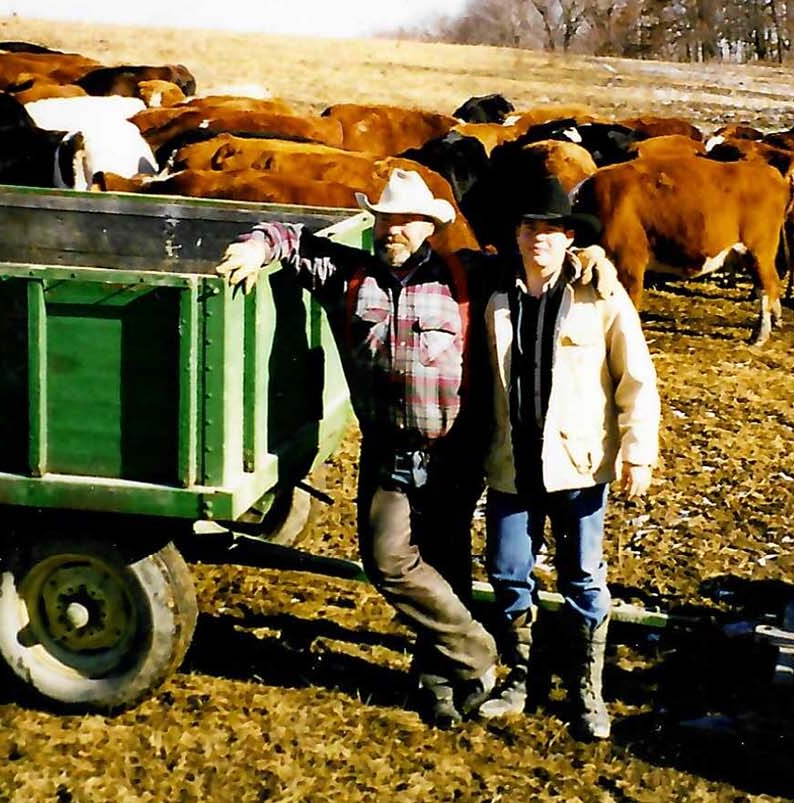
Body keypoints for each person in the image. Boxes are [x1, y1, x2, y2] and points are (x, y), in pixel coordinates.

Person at [215, 168, 616, 728]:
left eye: (404, 222)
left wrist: (590, 253)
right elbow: (292, 239)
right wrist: (256, 247)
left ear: (429, 227)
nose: (392, 231)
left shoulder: (467, 274)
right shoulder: (348, 274)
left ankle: (440, 684)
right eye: (384, 221)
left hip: (453, 451)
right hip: (387, 449)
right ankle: (477, 650)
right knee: (388, 561)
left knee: (445, 565)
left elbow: (542, 262)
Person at [474, 177, 660, 741]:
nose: (539, 239)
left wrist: (638, 452)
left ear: (569, 239)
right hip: (512, 461)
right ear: (516, 234)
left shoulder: (600, 295)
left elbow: (637, 377)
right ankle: (523, 677)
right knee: (508, 572)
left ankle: (587, 688)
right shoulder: (494, 294)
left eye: (552, 230)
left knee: (582, 577)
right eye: (530, 227)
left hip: (577, 462)